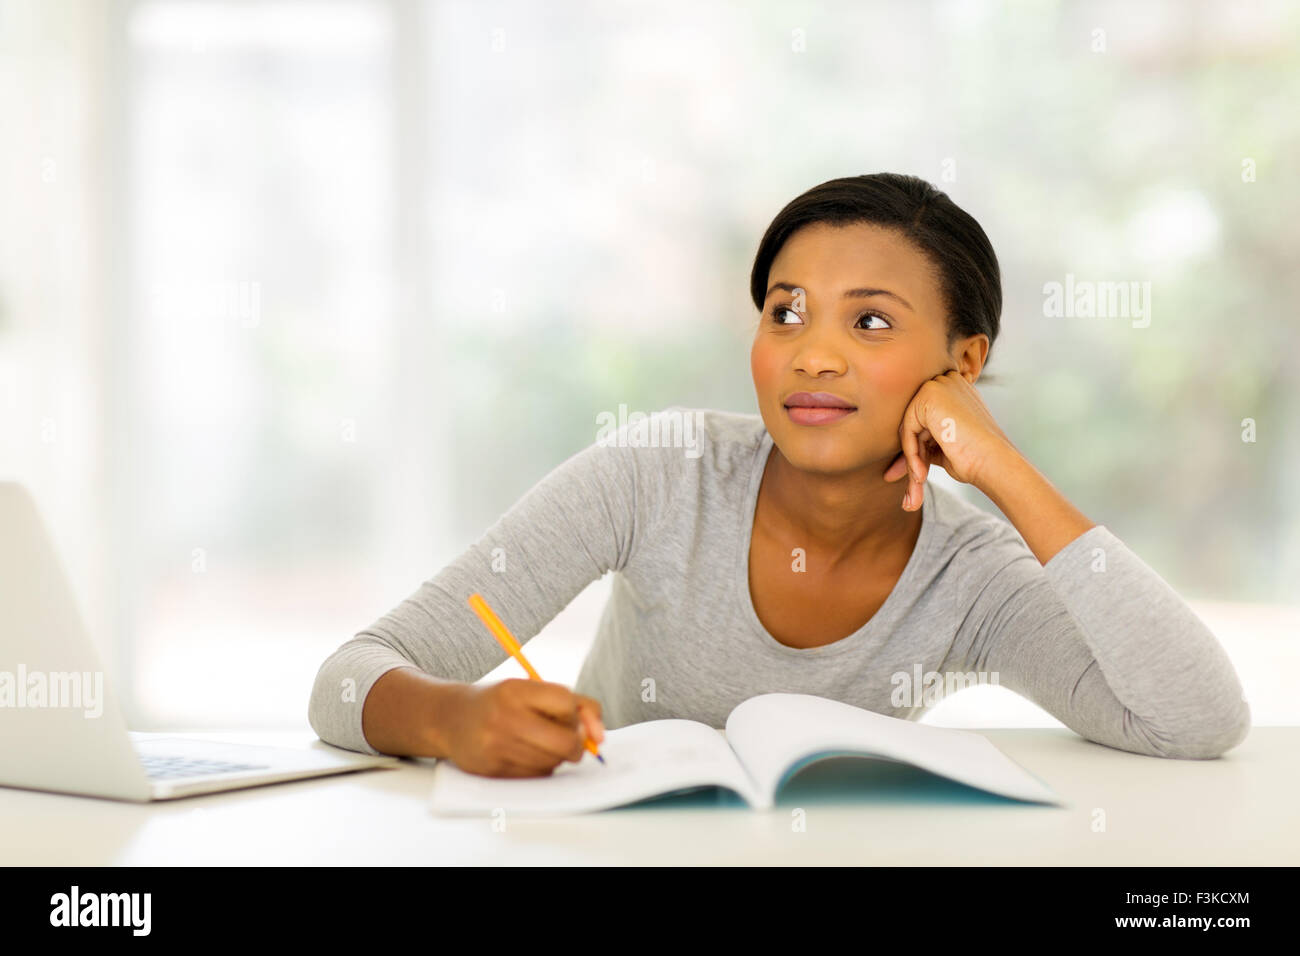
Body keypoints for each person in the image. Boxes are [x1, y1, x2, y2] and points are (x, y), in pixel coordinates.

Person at [308, 172, 1250, 777]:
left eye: (869, 322)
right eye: (786, 313)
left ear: (963, 364)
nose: (812, 355)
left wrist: (1002, 466)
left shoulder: (975, 577)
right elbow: (345, 681)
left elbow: (1194, 719)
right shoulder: (658, 473)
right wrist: (453, 718)